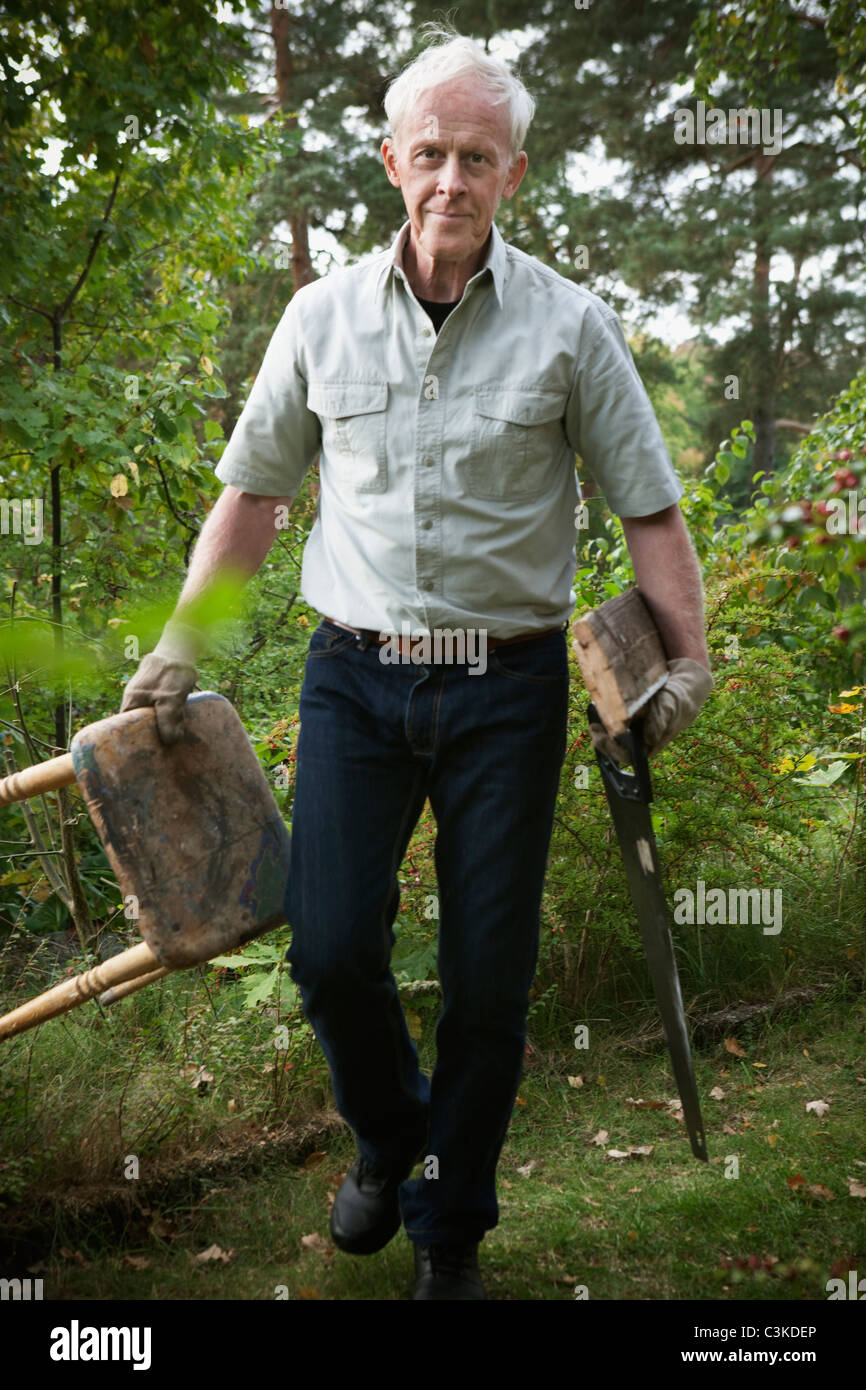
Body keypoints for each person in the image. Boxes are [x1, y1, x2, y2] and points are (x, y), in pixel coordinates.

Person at [121, 26, 713, 1300]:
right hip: (356, 675)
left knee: (487, 983)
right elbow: (253, 495)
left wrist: (687, 661)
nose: (451, 178)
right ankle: (394, 1135)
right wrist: (184, 637)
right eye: (430, 152)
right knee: (330, 947)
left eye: (477, 157)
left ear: (513, 173)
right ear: (392, 162)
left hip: (508, 688)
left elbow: (646, 510)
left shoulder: (571, 327)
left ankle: (448, 1234)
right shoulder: (319, 317)